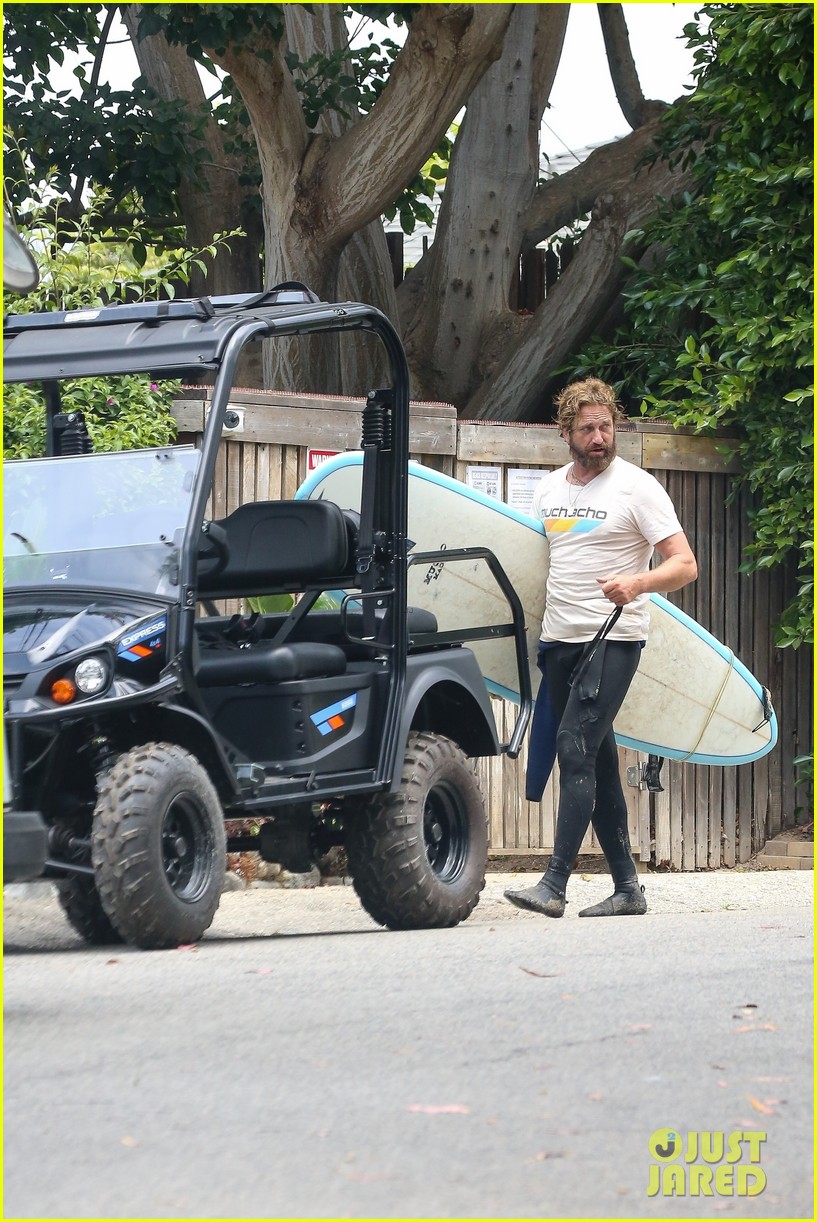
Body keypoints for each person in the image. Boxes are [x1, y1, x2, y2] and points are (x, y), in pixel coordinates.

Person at [505, 377, 697, 918]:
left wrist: (637, 583)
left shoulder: (637, 488)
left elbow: (685, 564)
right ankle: (628, 888)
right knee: (601, 761)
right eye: (588, 427)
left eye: (606, 426)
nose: (599, 436)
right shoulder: (548, 491)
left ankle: (555, 883)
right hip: (560, 642)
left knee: (573, 747)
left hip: (613, 636)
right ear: (565, 431)